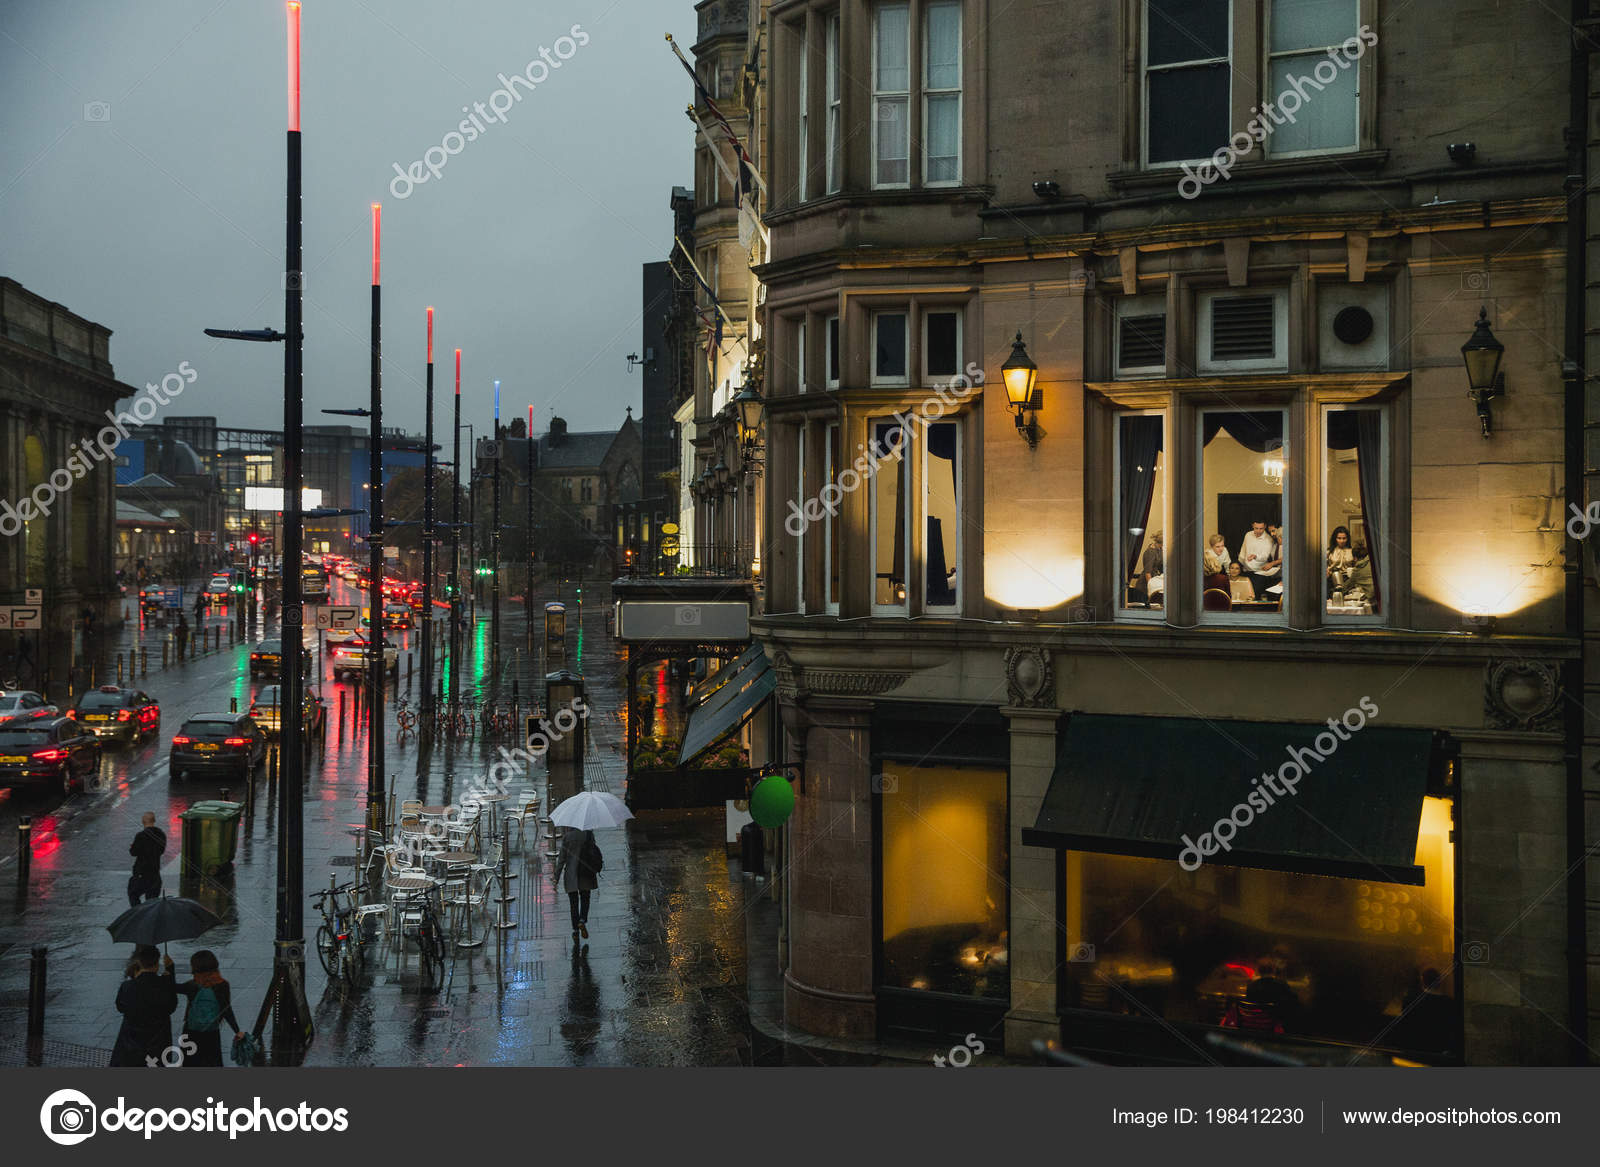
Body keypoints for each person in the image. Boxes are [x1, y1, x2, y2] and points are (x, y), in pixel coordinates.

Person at [110, 945, 177, 1066]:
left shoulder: (127, 986)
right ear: (157, 964)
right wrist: (171, 972)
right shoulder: (165, 984)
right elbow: (171, 1007)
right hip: (158, 1043)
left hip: (131, 1044)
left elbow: (120, 1007)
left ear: (140, 963)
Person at [174, 950, 244, 1067]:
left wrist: (169, 970)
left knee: (190, 1063)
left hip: (191, 1031)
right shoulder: (222, 985)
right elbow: (227, 1010)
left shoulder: (191, 985)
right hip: (211, 1032)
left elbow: (173, 988)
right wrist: (237, 1031)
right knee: (212, 1062)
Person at [553, 826, 601, 940]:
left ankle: (575, 930)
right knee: (585, 898)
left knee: (573, 903)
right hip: (585, 873)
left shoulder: (568, 837)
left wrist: (556, 877)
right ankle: (582, 920)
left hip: (571, 875)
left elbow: (561, 859)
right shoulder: (588, 834)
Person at [128, 812, 166, 906]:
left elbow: (133, 852)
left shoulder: (141, 836)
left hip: (142, 872)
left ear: (143, 821)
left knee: (133, 894)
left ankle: (137, 914)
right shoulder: (161, 834)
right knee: (152, 902)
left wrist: (133, 847)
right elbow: (161, 851)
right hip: (155, 872)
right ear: (154, 821)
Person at [1239, 521, 1278, 598]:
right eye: (1256, 528)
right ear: (1252, 525)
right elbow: (1243, 551)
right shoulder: (1248, 534)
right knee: (1243, 595)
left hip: (1259, 573)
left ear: (1265, 527)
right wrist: (1241, 561)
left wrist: (1255, 556)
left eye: (1261, 529)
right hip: (1245, 570)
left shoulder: (1268, 539)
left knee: (1254, 597)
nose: (1258, 531)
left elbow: (1265, 557)